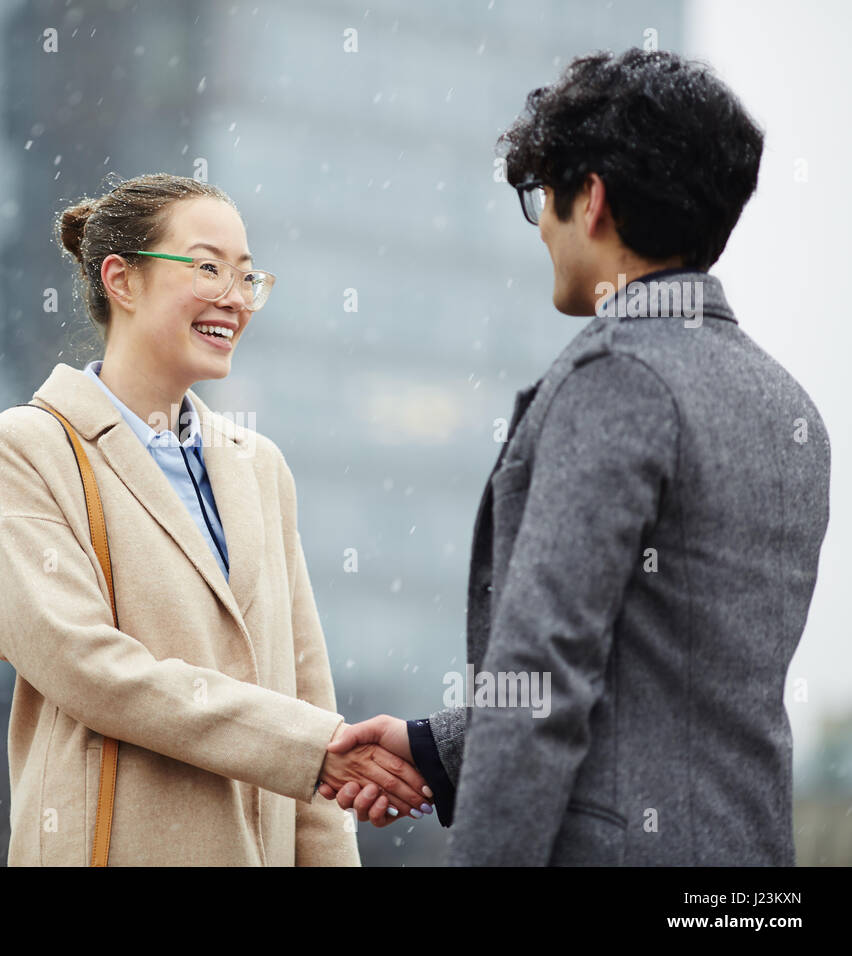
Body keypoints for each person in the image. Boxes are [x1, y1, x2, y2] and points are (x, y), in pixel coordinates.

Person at [320, 48, 831, 865]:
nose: (543, 231)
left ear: (590, 198)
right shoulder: (787, 406)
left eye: (542, 199)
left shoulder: (620, 374)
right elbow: (656, 678)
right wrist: (435, 747)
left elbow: (547, 666)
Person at [0, 172, 433, 866]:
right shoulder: (28, 449)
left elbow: (305, 691)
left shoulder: (260, 468)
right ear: (121, 280)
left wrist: (322, 768)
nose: (235, 300)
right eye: (208, 269)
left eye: (247, 277)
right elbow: (90, 670)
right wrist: (311, 750)